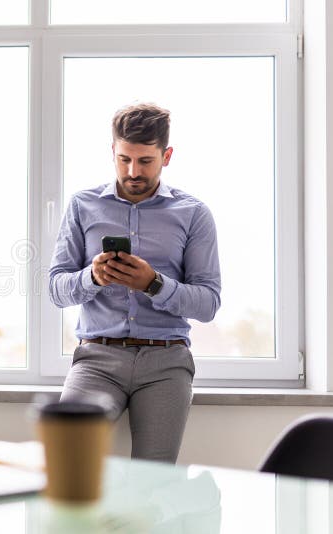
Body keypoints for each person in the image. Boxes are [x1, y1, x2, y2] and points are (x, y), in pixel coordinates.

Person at [48, 103, 221, 463]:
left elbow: (208, 304)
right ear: (112, 151)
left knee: (154, 477)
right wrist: (93, 277)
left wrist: (153, 284)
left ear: (166, 156)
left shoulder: (193, 213)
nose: (133, 172)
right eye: (124, 159)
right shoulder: (82, 206)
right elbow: (56, 289)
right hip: (97, 358)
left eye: (145, 161)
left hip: (166, 362)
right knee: (67, 459)